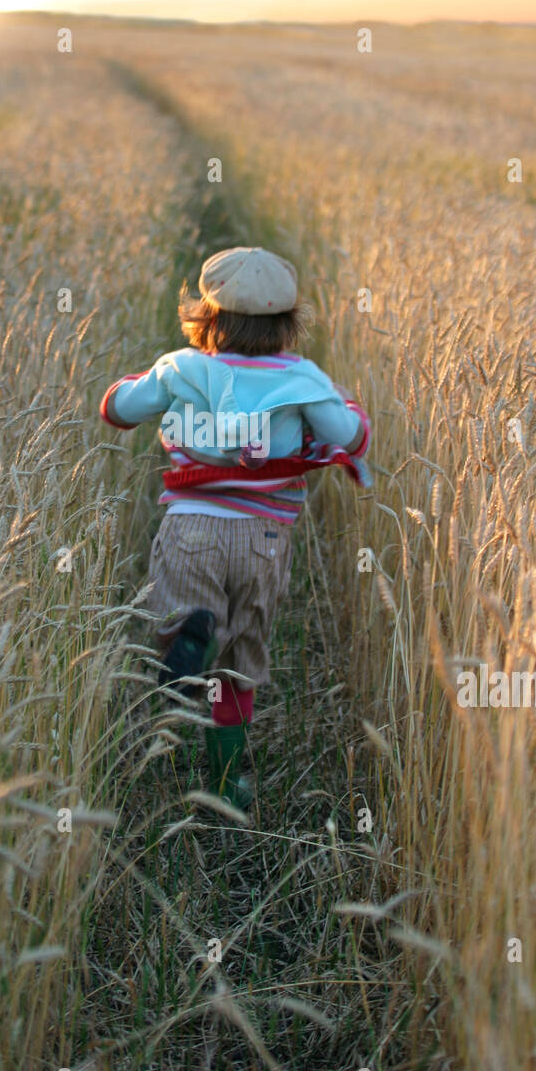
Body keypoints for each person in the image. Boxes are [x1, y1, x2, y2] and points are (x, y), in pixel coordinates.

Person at [100, 246, 371, 808]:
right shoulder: (302, 378)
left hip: (192, 527)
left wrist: (145, 383)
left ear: (207, 317)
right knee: (239, 660)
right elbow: (348, 436)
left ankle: (184, 632)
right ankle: (227, 781)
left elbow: (119, 409)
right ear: (288, 324)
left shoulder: (182, 367)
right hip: (263, 538)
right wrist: (352, 414)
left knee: (179, 609)